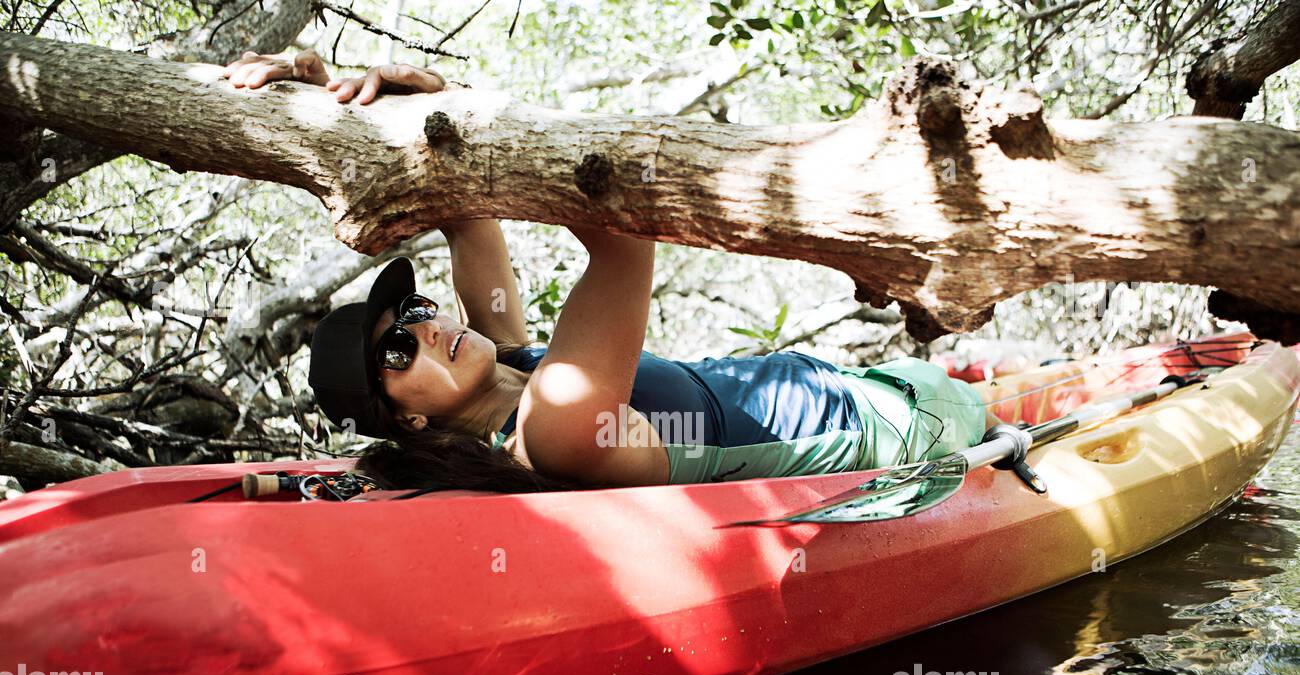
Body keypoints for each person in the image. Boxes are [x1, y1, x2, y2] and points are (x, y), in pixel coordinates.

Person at [227, 51, 999, 494]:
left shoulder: (509, 365)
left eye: (416, 311)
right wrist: (474, 112)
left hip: (853, 382)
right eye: (399, 352)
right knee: (967, 393)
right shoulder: (558, 423)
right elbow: (624, 242)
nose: (427, 329)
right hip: (896, 426)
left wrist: (348, 95)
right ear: (408, 421)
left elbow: (463, 207)